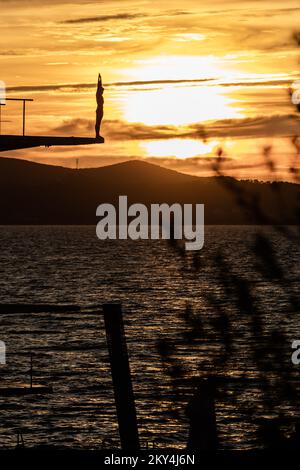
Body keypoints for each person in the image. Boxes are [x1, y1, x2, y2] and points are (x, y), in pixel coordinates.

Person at [95, 73, 104, 139]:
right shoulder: (98, 95)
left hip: (101, 110)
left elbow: (100, 87)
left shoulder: (100, 95)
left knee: (99, 123)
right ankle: (97, 135)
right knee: (97, 123)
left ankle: (98, 134)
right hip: (99, 110)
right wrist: (99, 79)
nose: (103, 91)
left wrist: (100, 79)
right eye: (102, 90)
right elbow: (98, 86)